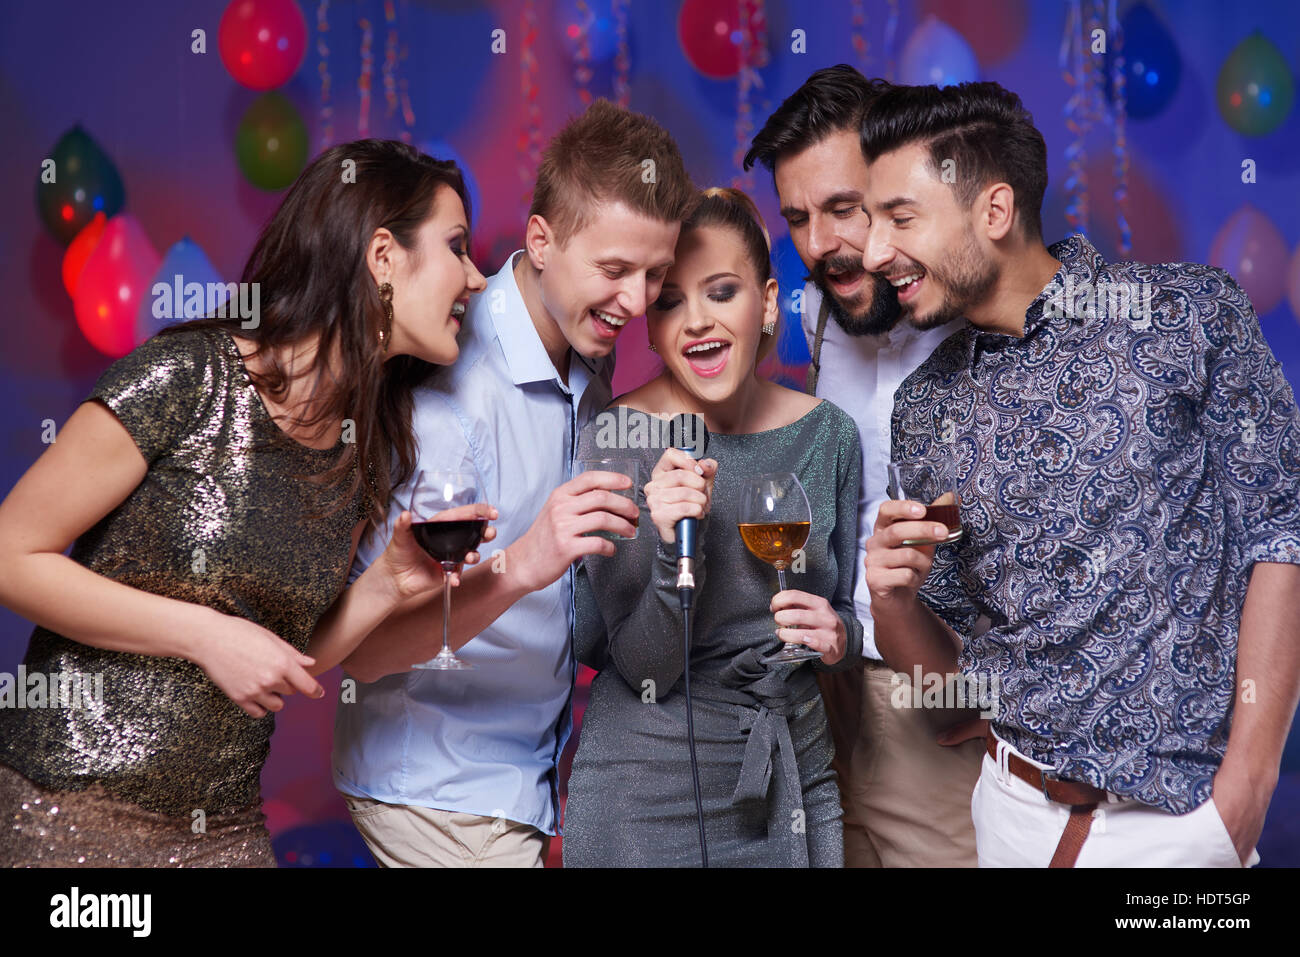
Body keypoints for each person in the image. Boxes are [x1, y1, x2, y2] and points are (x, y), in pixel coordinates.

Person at [0, 140, 492, 866]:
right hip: (68, 809)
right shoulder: (189, 378)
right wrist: (203, 634)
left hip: (222, 830)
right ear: (383, 255)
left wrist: (386, 583)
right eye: (458, 247)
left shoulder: (365, 448)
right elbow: (12, 554)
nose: (477, 279)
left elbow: (284, 660)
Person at [860, 80, 1300, 867]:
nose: (871, 252)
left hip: (1179, 827)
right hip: (1010, 817)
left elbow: (1284, 531)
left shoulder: (1187, 316)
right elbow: (957, 691)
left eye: (900, 218)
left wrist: (1244, 794)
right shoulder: (926, 407)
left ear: (993, 213)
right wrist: (891, 600)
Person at [331, 99, 698, 868]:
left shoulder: (586, 369)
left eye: (654, 273)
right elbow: (362, 650)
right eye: (614, 270)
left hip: (519, 787)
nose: (636, 301)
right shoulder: (451, 392)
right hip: (439, 790)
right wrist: (524, 561)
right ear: (541, 240)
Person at [562, 187, 864, 867]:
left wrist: (840, 636)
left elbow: (843, 616)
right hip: (649, 789)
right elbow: (643, 665)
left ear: (764, 302)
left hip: (792, 766)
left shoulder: (829, 435)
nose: (695, 320)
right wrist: (672, 547)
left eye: (721, 292)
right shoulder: (619, 436)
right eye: (668, 302)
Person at [743, 64, 982, 867]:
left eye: (844, 209)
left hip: (934, 706)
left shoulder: (982, 322)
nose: (821, 244)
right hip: (818, 687)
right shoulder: (814, 315)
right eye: (800, 217)